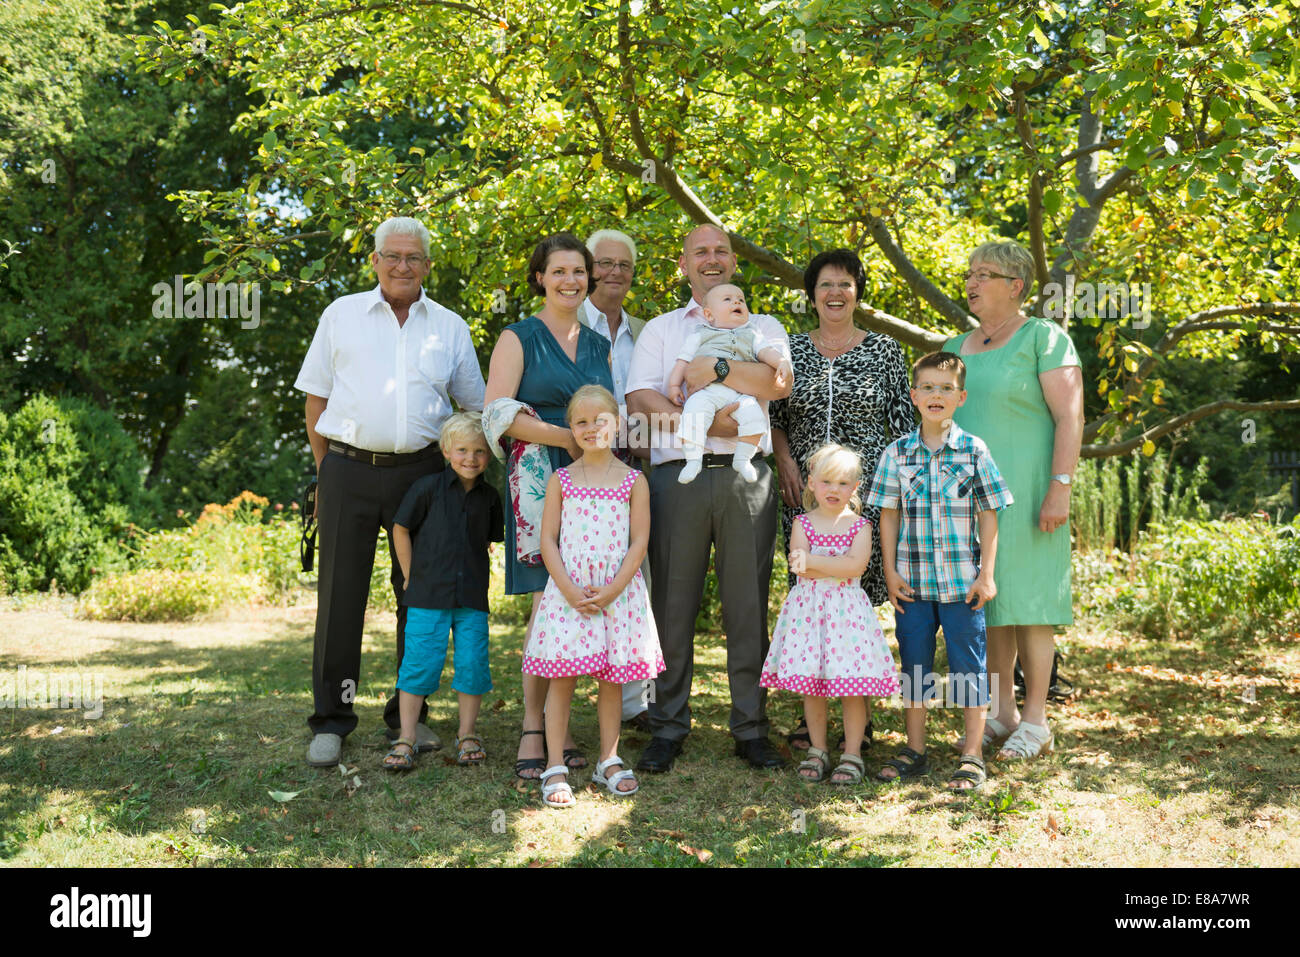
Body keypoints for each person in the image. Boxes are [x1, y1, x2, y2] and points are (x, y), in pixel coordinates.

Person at [297, 216, 486, 768]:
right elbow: (315, 401)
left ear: (428, 265)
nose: (403, 266)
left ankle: (407, 720)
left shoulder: (449, 325)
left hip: (425, 476)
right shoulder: (341, 315)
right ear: (375, 260)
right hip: (347, 469)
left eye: (414, 257)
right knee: (340, 599)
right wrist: (328, 470)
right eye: (392, 256)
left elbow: (472, 407)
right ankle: (332, 720)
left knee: (419, 599)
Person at [625, 223, 792, 772]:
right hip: (678, 479)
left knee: (747, 604)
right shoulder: (663, 330)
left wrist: (717, 371)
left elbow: (775, 385)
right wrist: (706, 423)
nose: (712, 259)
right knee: (672, 604)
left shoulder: (764, 325)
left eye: (721, 250)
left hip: (748, 479)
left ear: (734, 263)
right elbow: (641, 398)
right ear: (684, 264)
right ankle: (668, 725)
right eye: (701, 252)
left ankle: (750, 727)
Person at [482, 232, 615, 780]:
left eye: (579, 271)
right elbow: (495, 414)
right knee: (546, 601)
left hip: (594, 482)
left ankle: (564, 729)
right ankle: (532, 727)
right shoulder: (518, 338)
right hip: (539, 478)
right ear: (540, 277)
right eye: (558, 271)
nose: (570, 281)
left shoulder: (600, 344)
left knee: (586, 596)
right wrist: (562, 437)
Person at [770, 248, 913, 755]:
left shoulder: (885, 351)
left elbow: (903, 428)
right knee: (812, 603)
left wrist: (895, 491)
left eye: (846, 284)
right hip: (805, 498)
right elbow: (773, 419)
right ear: (811, 293)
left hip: (866, 497)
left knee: (855, 606)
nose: (835, 293)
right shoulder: (787, 351)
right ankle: (812, 721)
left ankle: (858, 715)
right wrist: (785, 462)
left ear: (858, 293)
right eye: (826, 284)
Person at [944, 240, 1083, 761]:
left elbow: (1070, 417)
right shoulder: (955, 347)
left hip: (1028, 494)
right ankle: (1001, 715)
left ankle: (1036, 722)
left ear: (1015, 285)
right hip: (967, 500)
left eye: (984, 274)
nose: (972, 283)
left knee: (1030, 606)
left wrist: (1059, 486)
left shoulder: (1044, 338)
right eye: (970, 274)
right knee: (991, 605)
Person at [866, 351, 1014, 788]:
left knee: (969, 667)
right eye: (928, 387)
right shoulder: (897, 453)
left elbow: (990, 514)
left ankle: (971, 753)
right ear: (913, 396)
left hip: (961, 584)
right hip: (911, 583)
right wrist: (890, 573)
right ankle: (915, 749)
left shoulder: (973, 451)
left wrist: (986, 573)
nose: (936, 395)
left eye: (946, 388)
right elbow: (887, 515)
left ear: (961, 397)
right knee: (915, 666)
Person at [524, 385, 663, 807]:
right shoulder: (561, 479)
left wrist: (612, 590)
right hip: (569, 591)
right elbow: (547, 540)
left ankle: (609, 757)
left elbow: (639, 543)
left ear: (617, 424)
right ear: (571, 428)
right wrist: (567, 588)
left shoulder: (633, 481)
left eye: (599, 420)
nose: (590, 428)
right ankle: (554, 764)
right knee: (562, 677)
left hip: (615, 592)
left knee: (611, 678)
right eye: (580, 421)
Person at [760, 444, 899, 785]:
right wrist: (833, 566)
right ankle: (818, 748)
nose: (833, 490)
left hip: (847, 617)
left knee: (852, 687)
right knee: (814, 685)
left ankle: (852, 753)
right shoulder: (802, 522)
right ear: (810, 484)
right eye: (826, 482)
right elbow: (797, 564)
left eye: (842, 483)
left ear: (854, 488)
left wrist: (817, 564)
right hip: (809, 616)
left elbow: (857, 566)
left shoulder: (861, 526)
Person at [383, 412, 503, 770]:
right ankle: (406, 737)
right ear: (447, 450)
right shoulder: (426, 488)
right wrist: (408, 575)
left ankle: (467, 734)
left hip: (471, 598)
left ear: (489, 454)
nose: (471, 458)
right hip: (426, 597)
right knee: (418, 666)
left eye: (480, 451)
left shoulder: (491, 497)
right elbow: (400, 528)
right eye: (463, 449)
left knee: (472, 665)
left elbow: (489, 540)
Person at [580, 228, 651, 731]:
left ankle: (632, 704)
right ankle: (555, 694)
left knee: (633, 574)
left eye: (623, 265)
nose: (614, 273)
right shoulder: (566, 324)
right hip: (580, 463)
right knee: (574, 573)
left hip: (639, 463)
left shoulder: (647, 331)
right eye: (603, 263)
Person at [669, 283, 790, 483]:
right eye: (728, 299)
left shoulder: (752, 333)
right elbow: (683, 360)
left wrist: (781, 362)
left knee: (755, 419)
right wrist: (674, 386)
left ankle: (742, 459)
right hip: (707, 391)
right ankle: (693, 459)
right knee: (692, 415)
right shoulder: (700, 333)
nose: (737, 302)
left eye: (741, 300)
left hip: (740, 394)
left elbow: (767, 352)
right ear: (709, 315)